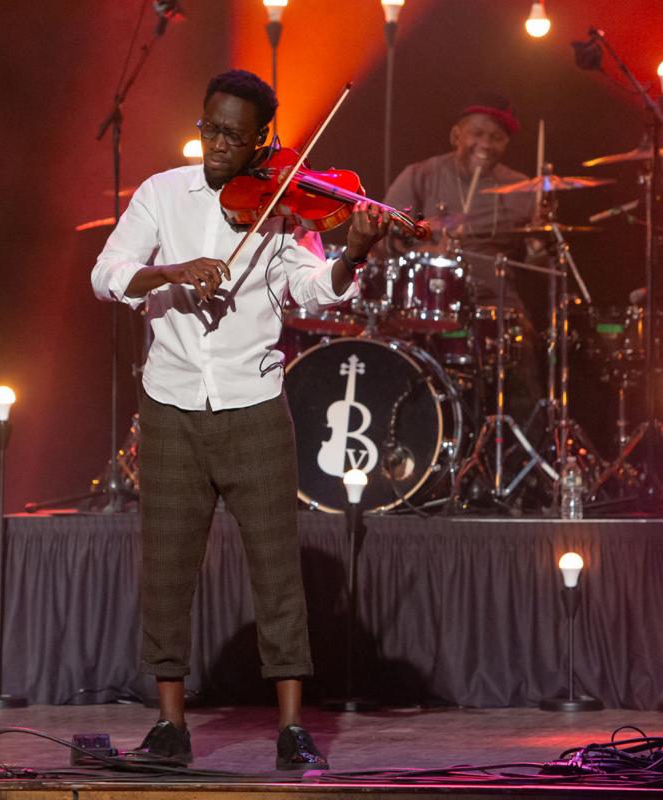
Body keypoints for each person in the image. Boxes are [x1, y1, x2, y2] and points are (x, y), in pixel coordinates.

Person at [91, 70, 389, 771]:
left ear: (262, 141)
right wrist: (171, 273)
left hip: (253, 406)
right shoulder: (163, 193)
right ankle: (170, 725)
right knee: (167, 569)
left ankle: (292, 729)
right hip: (171, 405)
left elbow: (314, 290)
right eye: (210, 128)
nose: (217, 145)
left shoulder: (282, 208)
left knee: (277, 571)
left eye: (232, 134)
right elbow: (107, 273)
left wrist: (352, 253)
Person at [383, 92, 538, 311]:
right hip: (430, 300)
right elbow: (383, 238)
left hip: (496, 305)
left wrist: (541, 244)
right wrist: (428, 252)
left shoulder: (521, 187)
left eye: (497, 137)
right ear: (456, 136)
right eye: (477, 133)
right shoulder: (420, 175)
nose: (486, 144)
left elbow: (536, 263)